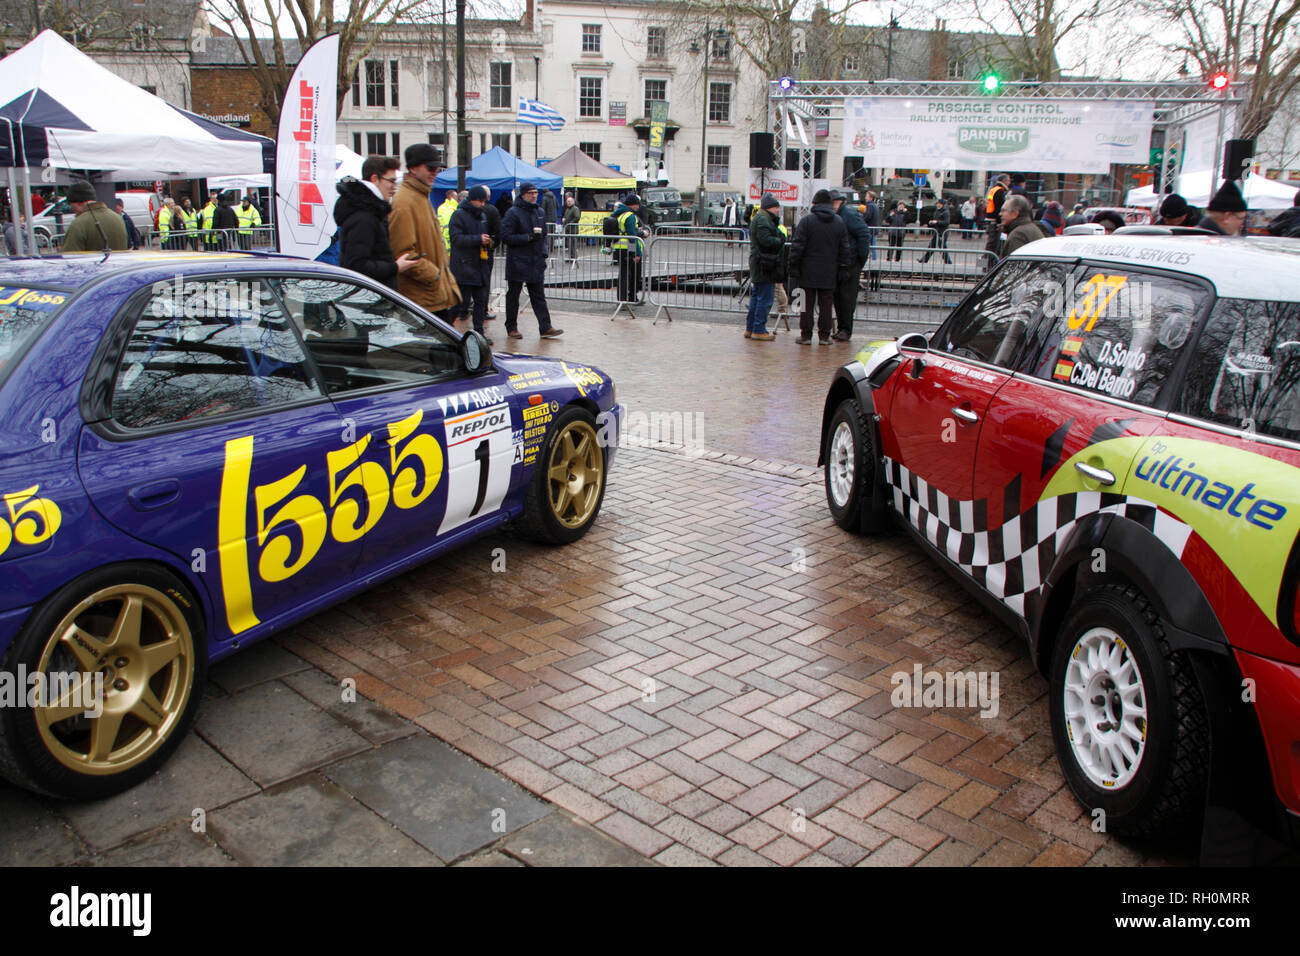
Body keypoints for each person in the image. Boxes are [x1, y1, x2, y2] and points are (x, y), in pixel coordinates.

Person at [389, 143, 461, 319]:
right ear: (413, 168)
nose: (435, 172)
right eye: (430, 168)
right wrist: (434, 274)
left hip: (432, 297)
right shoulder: (404, 202)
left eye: (437, 168)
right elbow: (403, 253)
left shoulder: (420, 196)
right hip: (422, 300)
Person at [333, 156, 418, 291]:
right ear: (374, 179)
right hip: (368, 301)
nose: (394, 187)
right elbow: (357, 266)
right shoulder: (365, 216)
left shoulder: (368, 211)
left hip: (369, 297)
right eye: (391, 181)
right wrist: (395, 267)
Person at [788, 188, 853, 345]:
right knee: (826, 305)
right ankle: (824, 336)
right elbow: (845, 248)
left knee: (806, 305)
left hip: (808, 270)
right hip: (830, 271)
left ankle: (806, 335)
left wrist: (793, 265)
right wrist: (844, 267)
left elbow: (797, 246)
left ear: (815, 203)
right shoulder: (839, 222)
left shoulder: (807, 221)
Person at [500, 181, 563, 340]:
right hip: (518, 261)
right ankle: (511, 327)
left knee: (538, 296)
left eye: (536, 192)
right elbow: (506, 236)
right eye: (531, 193)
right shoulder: (513, 213)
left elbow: (544, 237)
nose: (534, 195)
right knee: (513, 296)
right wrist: (527, 237)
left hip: (535, 260)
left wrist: (544, 253)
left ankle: (545, 327)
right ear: (523, 194)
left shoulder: (539, 212)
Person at [447, 185, 495, 342]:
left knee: (480, 302)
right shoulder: (458, 215)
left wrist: (488, 242)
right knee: (460, 303)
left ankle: (479, 333)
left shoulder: (482, 216)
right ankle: (445, 327)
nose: (482, 204)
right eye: (480, 201)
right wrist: (478, 239)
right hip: (464, 266)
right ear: (472, 200)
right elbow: (456, 239)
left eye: (484, 201)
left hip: (479, 264)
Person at [744, 193, 784, 341]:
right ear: (770, 208)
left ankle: (751, 328)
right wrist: (779, 240)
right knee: (764, 298)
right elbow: (766, 240)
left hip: (761, 262)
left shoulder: (762, 219)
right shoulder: (763, 220)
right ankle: (759, 329)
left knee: (757, 296)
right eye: (776, 208)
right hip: (764, 263)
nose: (778, 210)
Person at [830, 189, 870, 340]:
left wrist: (860, 258)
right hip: (844, 262)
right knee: (839, 298)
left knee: (846, 298)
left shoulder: (848, 215)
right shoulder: (841, 215)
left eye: (833, 202)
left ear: (839, 202)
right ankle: (842, 328)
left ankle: (846, 329)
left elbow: (863, 234)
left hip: (850, 262)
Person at [60, 180, 128, 252]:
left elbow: (69, 256)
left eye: (71, 205)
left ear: (78, 202)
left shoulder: (79, 223)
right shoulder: (117, 218)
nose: (72, 209)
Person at [613, 193, 648, 303]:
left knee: (624, 275)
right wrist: (637, 253)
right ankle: (624, 300)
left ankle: (623, 298)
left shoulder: (620, 214)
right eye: (637, 205)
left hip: (620, 248)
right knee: (627, 276)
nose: (638, 207)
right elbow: (632, 236)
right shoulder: (630, 216)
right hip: (628, 249)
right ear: (633, 205)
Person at [918, 197, 952, 264]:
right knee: (931, 246)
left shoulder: (945, 212)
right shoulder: (937, 211)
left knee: (942, 247)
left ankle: (948, 262)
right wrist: (932, 223)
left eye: (939, 204)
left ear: (942, 204)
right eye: (938, 203)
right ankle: (924, 260)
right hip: (937, 232)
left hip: (942, 233)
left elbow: (946, 222)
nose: (938, 205)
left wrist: (936, 222)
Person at [984, 173, 1010, 252]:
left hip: (990, 218)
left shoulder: (993, 189)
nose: (1009, 182)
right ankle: (989, 263)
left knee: (990, 244)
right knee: (994, 245)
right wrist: (1001, 222)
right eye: (1008, 180)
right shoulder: (1000, 191)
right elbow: (999, 207)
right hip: (995, 221)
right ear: (1004, 181)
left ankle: (985, 262)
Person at [563, 193, 581, 264]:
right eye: (567, 201)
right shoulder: (567, 209)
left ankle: (574, 257)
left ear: (573, 202)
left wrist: (570, 223)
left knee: (573, 243)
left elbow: (577, 217)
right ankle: (571, 257)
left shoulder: (575, 209)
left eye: (570, 201)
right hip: (568, 229)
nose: (568, 203)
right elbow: (566, 217)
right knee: (569, 244)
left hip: (573, 229)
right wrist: (564, 219)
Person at [862, 190, 880, 259]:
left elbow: (868, 216)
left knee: (868, 246)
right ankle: (874, 260)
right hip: (874, 229)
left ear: (871, 197)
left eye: (867, 196)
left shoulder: (869, 206)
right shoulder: (875, 205)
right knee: (873, 246)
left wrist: (862, 220)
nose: (865, 198)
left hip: (870, 229)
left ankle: (873, 260)